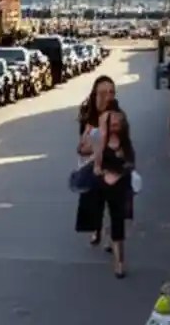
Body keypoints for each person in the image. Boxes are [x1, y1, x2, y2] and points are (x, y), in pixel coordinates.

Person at [92, 105, 135, 278]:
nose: (116, 126)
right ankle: (103, 233)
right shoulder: (102, 144)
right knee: (102, 214)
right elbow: (96, 168)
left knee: (118, 222)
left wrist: (121, 171)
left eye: (119, 124)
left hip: (121, 186)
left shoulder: (126, 144)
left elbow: (131, 164)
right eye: (113, 124)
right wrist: (104, 173)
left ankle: (119, 263)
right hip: (105, 186)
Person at [76, 76, 116, 247]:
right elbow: (82, 145)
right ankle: (96, 230)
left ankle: (109, 236)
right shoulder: (87, 114)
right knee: (94, 201)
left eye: (110, 92)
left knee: (110, 202)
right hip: (91, 163)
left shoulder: (116, 114)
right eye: (102, 93)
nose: (107, 96)